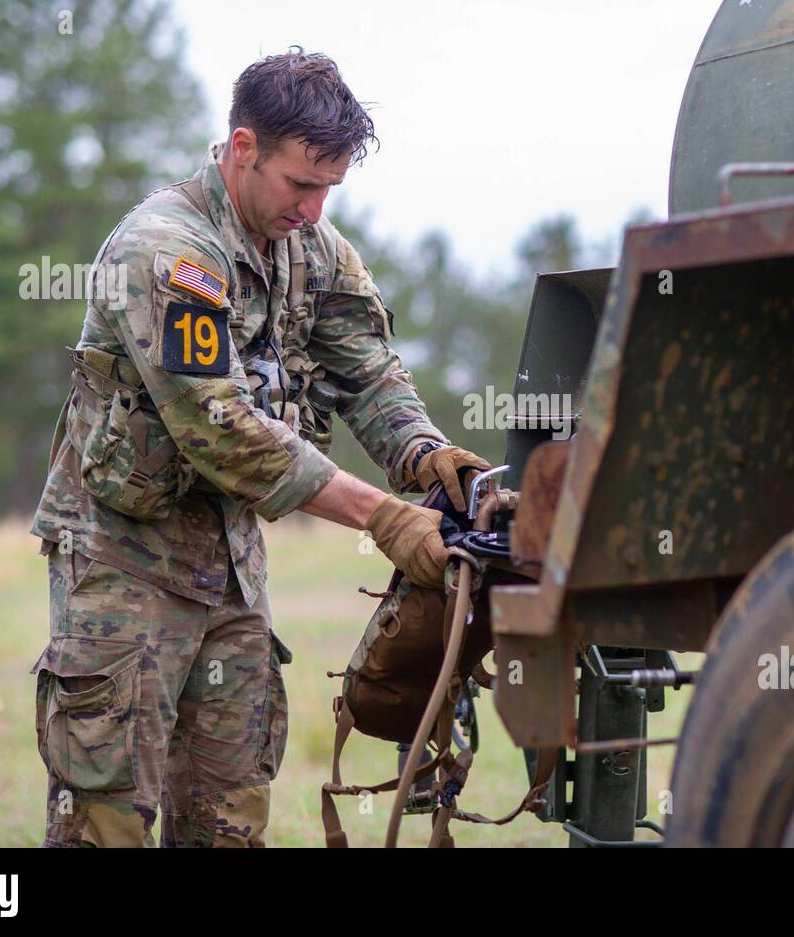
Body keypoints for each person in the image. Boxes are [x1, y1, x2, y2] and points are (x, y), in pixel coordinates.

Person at [28, 48, 489, 847]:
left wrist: (427, 456)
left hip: (232, 573)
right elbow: (221, 430)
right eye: (300, 185)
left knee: (229, 818)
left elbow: (369, 374)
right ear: (243, 148)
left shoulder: (314, 249)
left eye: (329, 190)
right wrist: (383, 517)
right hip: (121, 566)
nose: (313, 210)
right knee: (107, 821)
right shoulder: (168, 252)